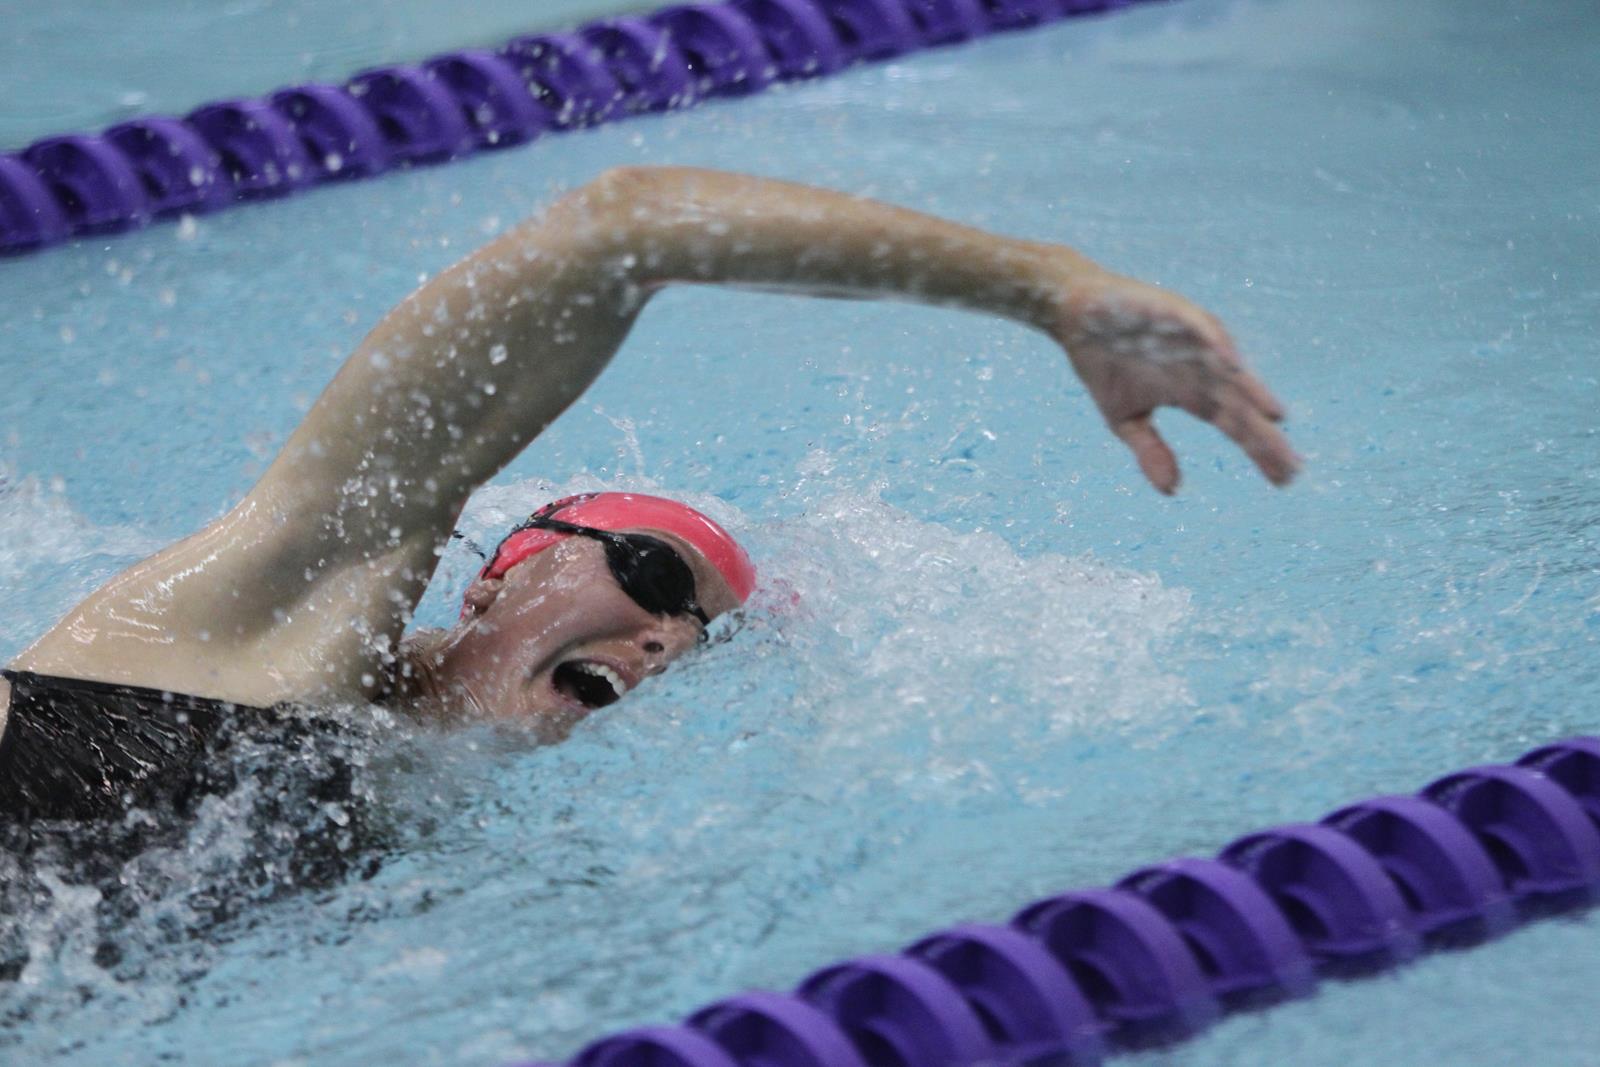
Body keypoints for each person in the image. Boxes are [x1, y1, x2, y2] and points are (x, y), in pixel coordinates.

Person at [0, 165, 1297, 823]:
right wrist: (1046, 287)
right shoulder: (270, 620)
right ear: (503, 565)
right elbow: (618, 231)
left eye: (695, 634)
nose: (667, 636)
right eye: (658, 578)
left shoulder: (397, 828)